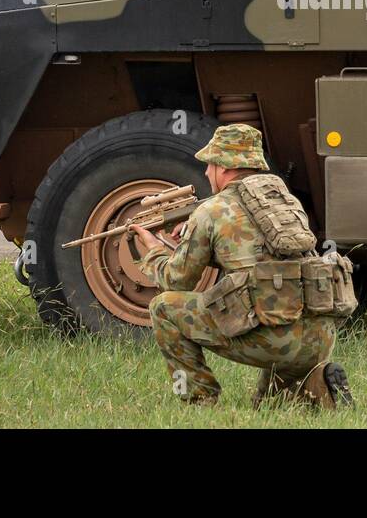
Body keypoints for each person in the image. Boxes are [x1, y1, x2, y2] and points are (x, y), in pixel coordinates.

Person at [131, 123, 353, 409]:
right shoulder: (285, 202)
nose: (206, 172)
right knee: (267, 408)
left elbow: (177, 281)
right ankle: (319, 382)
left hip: (274, 337)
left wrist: (153, 252)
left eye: (209, 165)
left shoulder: (210, 210)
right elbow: (255, 252)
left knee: (163, 307)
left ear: (223, 166)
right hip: (319, 337)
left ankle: (200, 402)